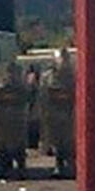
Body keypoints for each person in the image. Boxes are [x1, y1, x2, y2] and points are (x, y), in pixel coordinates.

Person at [0, 61, 29, 180]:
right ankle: (5, 168)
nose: (12, 75)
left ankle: (21, 170)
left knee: (18, 147)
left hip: (17, 120)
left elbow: (26, 98)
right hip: (4, 122)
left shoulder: (21, 87)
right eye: (10, 72)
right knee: (3, 147)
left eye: (14, 72)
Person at [39, 48, 76, 179]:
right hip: (54, 114)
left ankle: (73, 167)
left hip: (71, 113)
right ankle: (59, 166)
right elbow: (43, 96)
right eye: (60, 58)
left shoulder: (75, 76)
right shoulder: (47, 77)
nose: (63, 62)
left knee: (71, 142)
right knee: (57, 142)